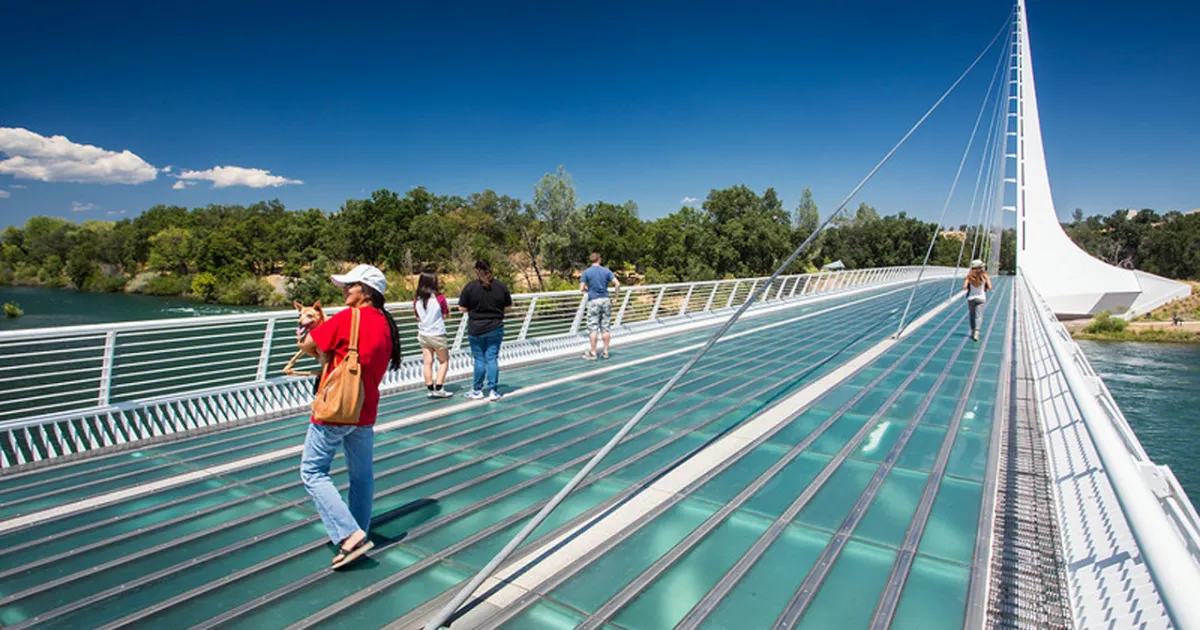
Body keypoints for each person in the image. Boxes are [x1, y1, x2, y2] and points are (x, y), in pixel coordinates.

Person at [297, 263, 402, 569]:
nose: (344, 289)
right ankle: (360, 530)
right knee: (361, 475)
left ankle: (349, 534)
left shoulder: (347, 319)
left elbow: (308, 345)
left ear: (365, 291)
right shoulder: (385, 323)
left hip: (338, 409)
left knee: (313, 472)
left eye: (349, 285)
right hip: (366, 409)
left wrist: (307, 326)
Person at [458, 259, 512, 401]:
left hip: (476, 328)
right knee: (492, 358)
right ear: (490, 269)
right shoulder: (501, 286)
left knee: (479, 359)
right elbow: (508, 306)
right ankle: (493, 390)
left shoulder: (470, 287)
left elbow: (462, 308)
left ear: (476, 270)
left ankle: (477, 390)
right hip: (495, 327)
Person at [414, 271, 453, 399]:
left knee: (427, 363)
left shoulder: (417, 300)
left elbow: (418, 318)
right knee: (444, 361)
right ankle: (439, 388)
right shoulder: (439, 298)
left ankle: (430, 388)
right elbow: (446, 315)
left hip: (423, 334)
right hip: (437, 334)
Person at [579, 252, 620, 359]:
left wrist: (589, 291)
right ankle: (605, 352)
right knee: (605, 327)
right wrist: (615, 297)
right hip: (605, 300)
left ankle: (593, 353)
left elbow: (581, 288)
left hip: (594, 300)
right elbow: (617, 284)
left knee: (593, 327)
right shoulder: (606, 271)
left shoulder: (586, 272)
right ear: (599, 260)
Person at [963, 259, 992, 341]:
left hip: (971, 298)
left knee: (972, 315)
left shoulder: (969, 276)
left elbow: (964, 287)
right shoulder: (985, 275)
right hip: (981, 298)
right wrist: (984, 286)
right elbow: (990, 287)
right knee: (979, 316)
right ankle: (976, 332)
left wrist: (970, 285)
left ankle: (972, 331)